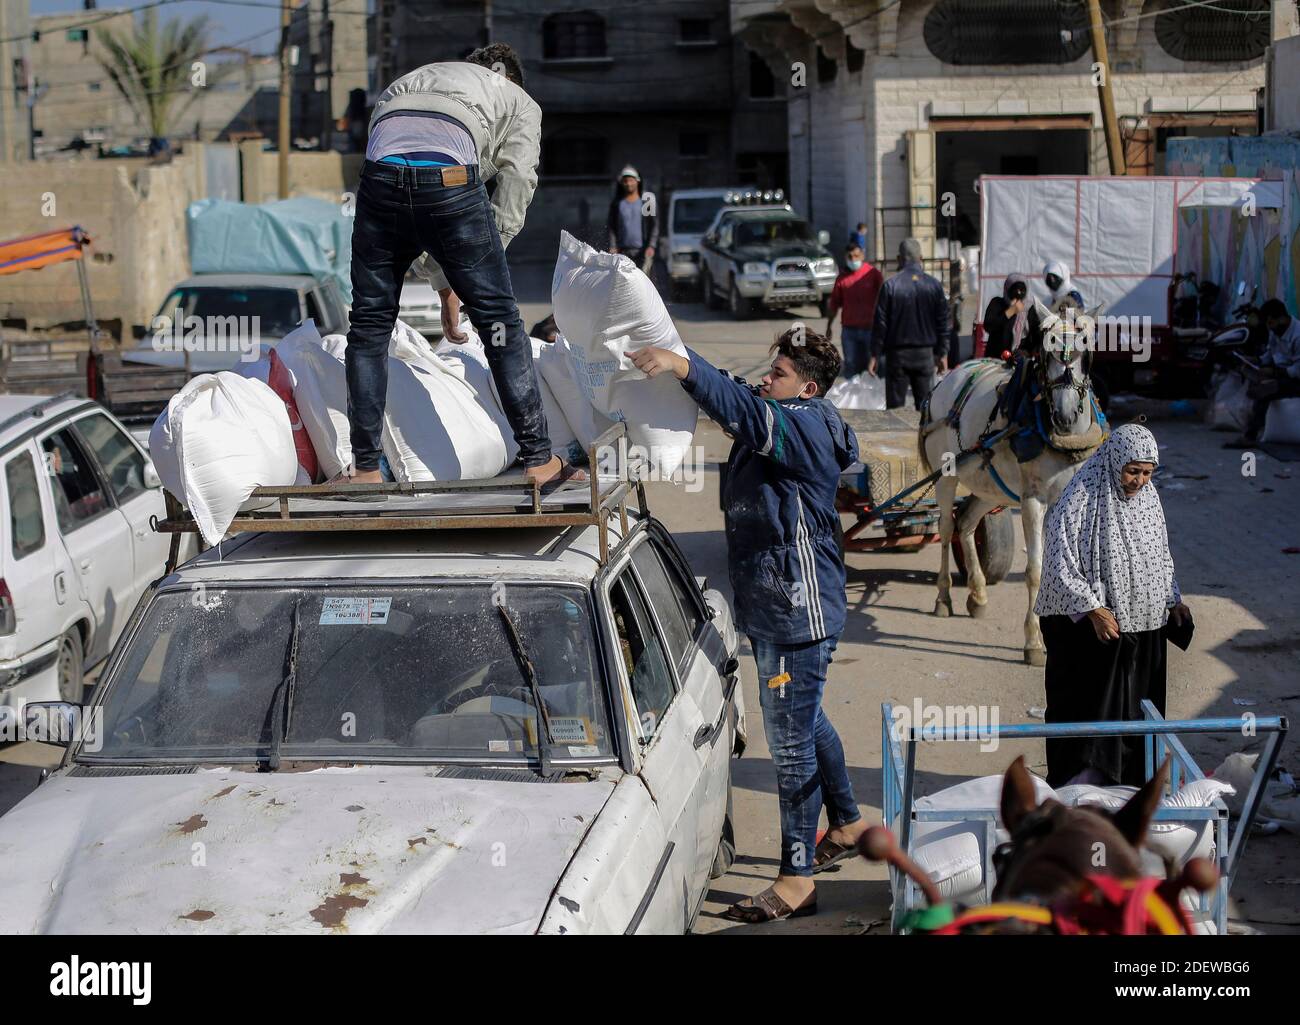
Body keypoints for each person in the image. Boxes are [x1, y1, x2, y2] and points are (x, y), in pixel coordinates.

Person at [627, 328, 864, 923]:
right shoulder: (792, 409)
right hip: (780, 603)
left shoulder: (802, 424)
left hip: (795, 612)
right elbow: (737, 394)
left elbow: (741, 409)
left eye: (778, 374)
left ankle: (795, 879)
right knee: (807, 719)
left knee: (788, 745)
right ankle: (851, 823)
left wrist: (681, 365)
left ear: (806, 387)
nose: (766, 378)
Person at [338, 43, 579, 488]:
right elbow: (516, 182)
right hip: (450, 181)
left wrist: (447, 288)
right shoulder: (517, 100)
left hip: (377, 182)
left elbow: (402, 172)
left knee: (369, 328)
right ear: (508, 78)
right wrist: (485, 268)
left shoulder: (411, 78)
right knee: (501, 325)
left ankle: (366, 469)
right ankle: (539, 461)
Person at [1034, 424, 1191, 787]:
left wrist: (1173, 598)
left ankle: (1134, 788)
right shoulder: (1080, 498)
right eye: (1132, 471)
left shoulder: (1149, 498)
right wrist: (1092, 609)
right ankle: (1082, 789)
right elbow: (1059, 562)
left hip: (1143, 630)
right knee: (1090, 712)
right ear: (1115, 460)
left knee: (1139, 714)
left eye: (1147, 472)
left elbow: (1160, 554)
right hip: (1094, 635)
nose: (1139, 481)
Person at [869, 238, 950, 409]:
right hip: (925, 355)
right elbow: (943, 322)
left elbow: (880, 325)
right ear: (920, 258)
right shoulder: (934, 285)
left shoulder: (890, 286)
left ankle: (896, 436)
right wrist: (943, 353)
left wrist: (875, 355)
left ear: (899, 259)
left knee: (895, 410)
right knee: (926, 409)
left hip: (897, 357)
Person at [1225, 298, 1300, 448]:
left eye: (1271, 323)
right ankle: (1251, 427)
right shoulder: (1275, 331)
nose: (1269, 327)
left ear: (1282, 319)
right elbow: (1268, 354)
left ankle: (1250, 436)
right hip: (1281, 373)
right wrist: (1254, 361)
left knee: (1266, 389)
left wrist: (1274, 372)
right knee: (1256, 381)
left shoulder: (1298, 336)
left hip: (1295, 379)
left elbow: (1297, 371)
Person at [825, 242, 883, 378]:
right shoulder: (842, 279)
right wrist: (829, 326)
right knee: (851, 366)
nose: (853, 259)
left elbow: (884, 300)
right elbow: (834, 304)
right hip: (849, 331)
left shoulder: (873, 274)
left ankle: (873, 397)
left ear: (862, 255)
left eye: (856, 256)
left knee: (872, 367)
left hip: (870, 329)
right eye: (850, 256)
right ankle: (851, 396)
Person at [606, 165, 658, 275]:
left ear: (637, 181)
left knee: (643, 281)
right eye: (625, 181)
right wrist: (613, 246)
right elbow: (612, 227)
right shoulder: (617, 204)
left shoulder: (647, 201)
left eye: (631, 180)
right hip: (623, 252)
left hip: (643, 252)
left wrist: (651, 246)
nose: (628, 183)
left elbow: (654, 225)